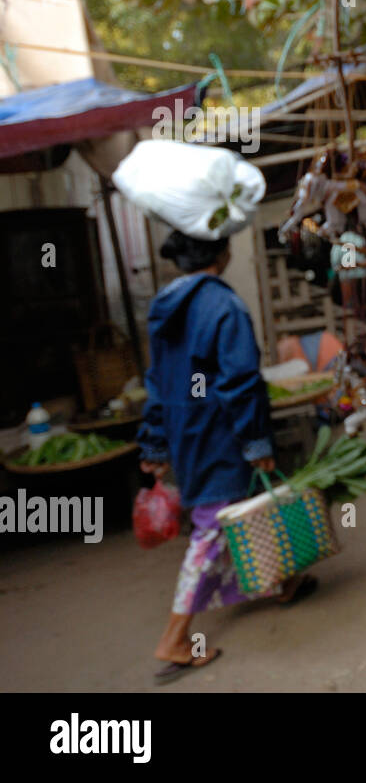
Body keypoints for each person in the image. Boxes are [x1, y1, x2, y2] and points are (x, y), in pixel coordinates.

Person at [138, 230, 315, 684]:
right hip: (219, 430)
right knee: (214, 526)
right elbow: (239, 383)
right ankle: (175, 637)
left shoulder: (165, 308)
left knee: (242, 505)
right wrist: (256, 443)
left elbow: (156, 381)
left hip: (184, 430)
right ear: (223, 252)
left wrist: (155, 443)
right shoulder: (224, 306)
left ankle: (283, 580)